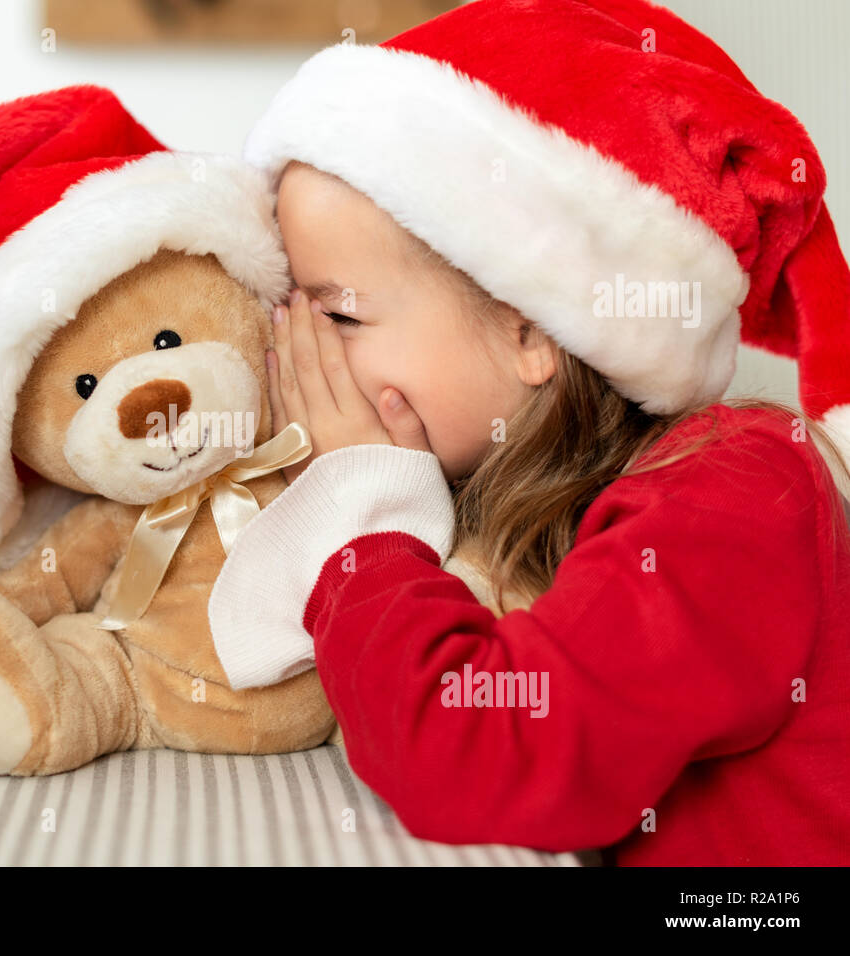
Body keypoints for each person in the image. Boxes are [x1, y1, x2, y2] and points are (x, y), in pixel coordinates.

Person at [206, 0, 850, 865]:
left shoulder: (737, 490)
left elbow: (483, 751)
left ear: (531, 334)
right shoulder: (495, 487)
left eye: (339, 316)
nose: (303, 360)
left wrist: (359, 522)